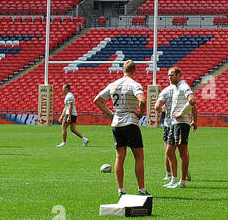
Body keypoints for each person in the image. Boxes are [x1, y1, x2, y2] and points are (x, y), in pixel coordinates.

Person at [93, 60, 148, 197]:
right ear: (134, 71)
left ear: (123, 70)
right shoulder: (134, 85)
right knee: (139, 157)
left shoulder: (113, 84)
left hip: (116, 123)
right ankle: (141, 189)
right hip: (130, 122)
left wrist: (110, 114)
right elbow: (143, 100)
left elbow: (97, 100)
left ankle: (121, 190)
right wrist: (140, 113)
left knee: (119, 156)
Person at [156, 66, 197, 189]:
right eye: (168, 75)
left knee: (182, 152)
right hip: (174, 123)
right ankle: (173, 179)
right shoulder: (174, 88)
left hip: (181, 123)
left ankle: (182, 181)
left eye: (172, 74)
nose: (169, 77)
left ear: (179, 75)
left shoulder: (183, 86)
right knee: (169, 151)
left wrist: (182, 113)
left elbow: (192, 100)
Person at [57, 83, 89, 148]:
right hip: (72, 114)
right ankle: (84, 139)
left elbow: (70, 106)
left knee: (63, 127)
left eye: (63, 88)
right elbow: (66, 107)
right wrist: (61, 116)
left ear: (66, 88)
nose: (62, 89)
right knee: (72, 129)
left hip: (70, 114)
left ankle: (64, 142)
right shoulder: (68, 96)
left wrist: (69, 116)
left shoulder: (69, 96)